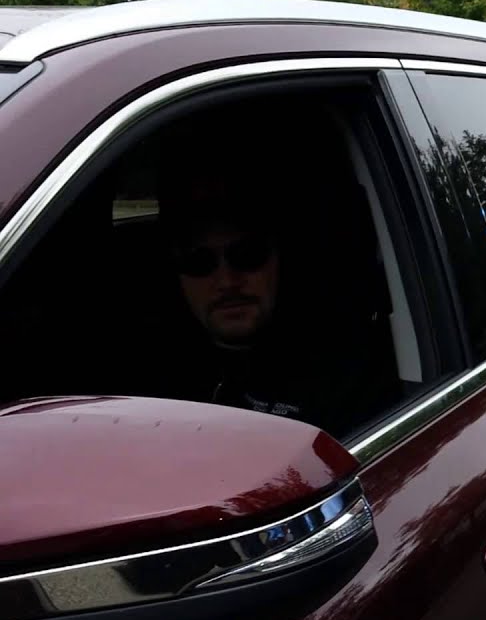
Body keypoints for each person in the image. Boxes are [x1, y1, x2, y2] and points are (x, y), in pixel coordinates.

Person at [150, 140, 401, 439]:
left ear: (281, 259)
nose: (227, 281)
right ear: (175, 273)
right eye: (199, 262)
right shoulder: (150, 379)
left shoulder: (348, 378)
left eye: (247, 255)